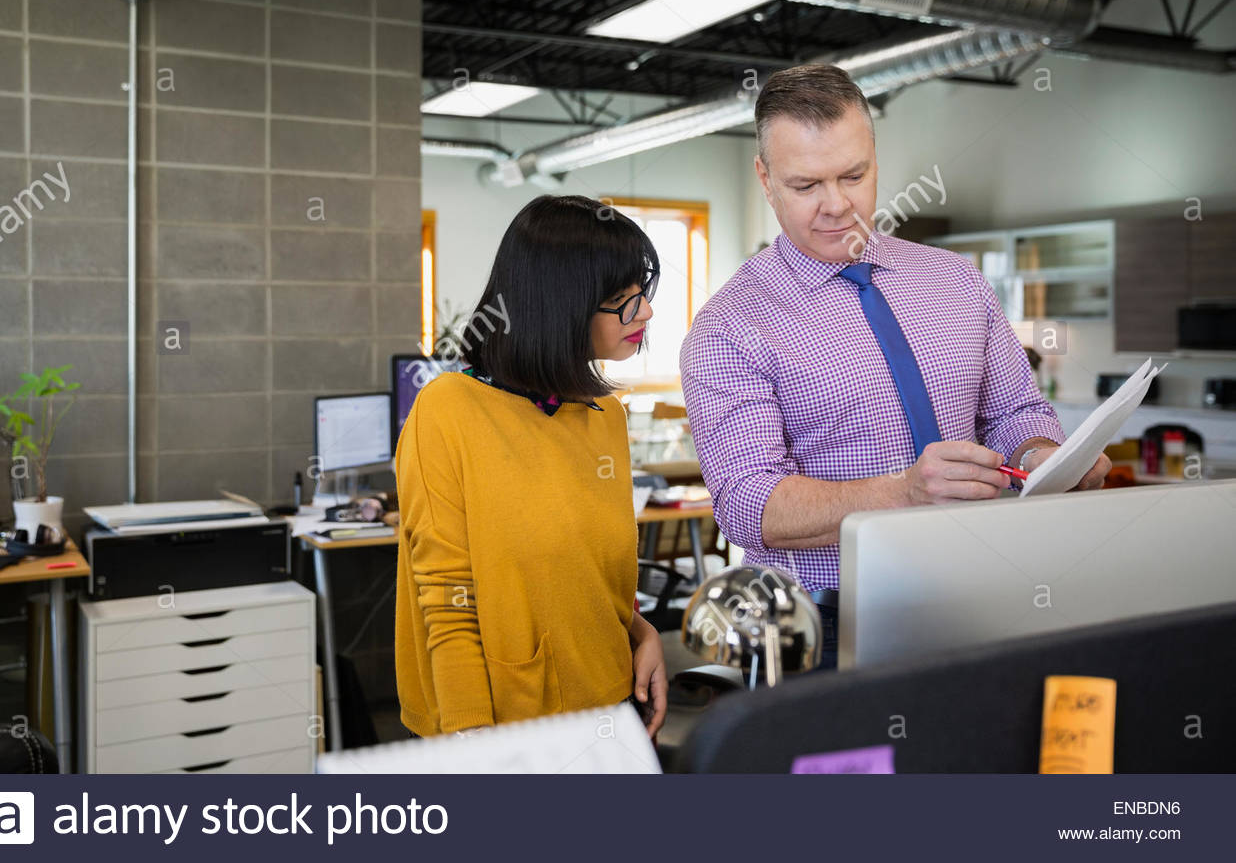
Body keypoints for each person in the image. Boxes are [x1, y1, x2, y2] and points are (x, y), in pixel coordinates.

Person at [679, 64, 1111, 669]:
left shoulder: (956, 280)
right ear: (765, 177)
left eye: (854, 175)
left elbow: (1015, 412)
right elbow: (751, 505)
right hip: (824, 623)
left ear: (876, 159)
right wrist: (903, 493)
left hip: (984, 586)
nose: (836, 205)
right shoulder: (731, 324)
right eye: (806, 185)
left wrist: (1044, 456)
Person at [395, 194, 668, 738]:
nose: (645, 312)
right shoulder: (448, 409)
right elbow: (449, 602)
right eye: (620, 298)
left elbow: (582, 579)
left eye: (642, 291)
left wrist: (643, 634)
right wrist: (473, 747)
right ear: (557, 305)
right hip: (501, 732)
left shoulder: (603, 415)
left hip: (611, 710)